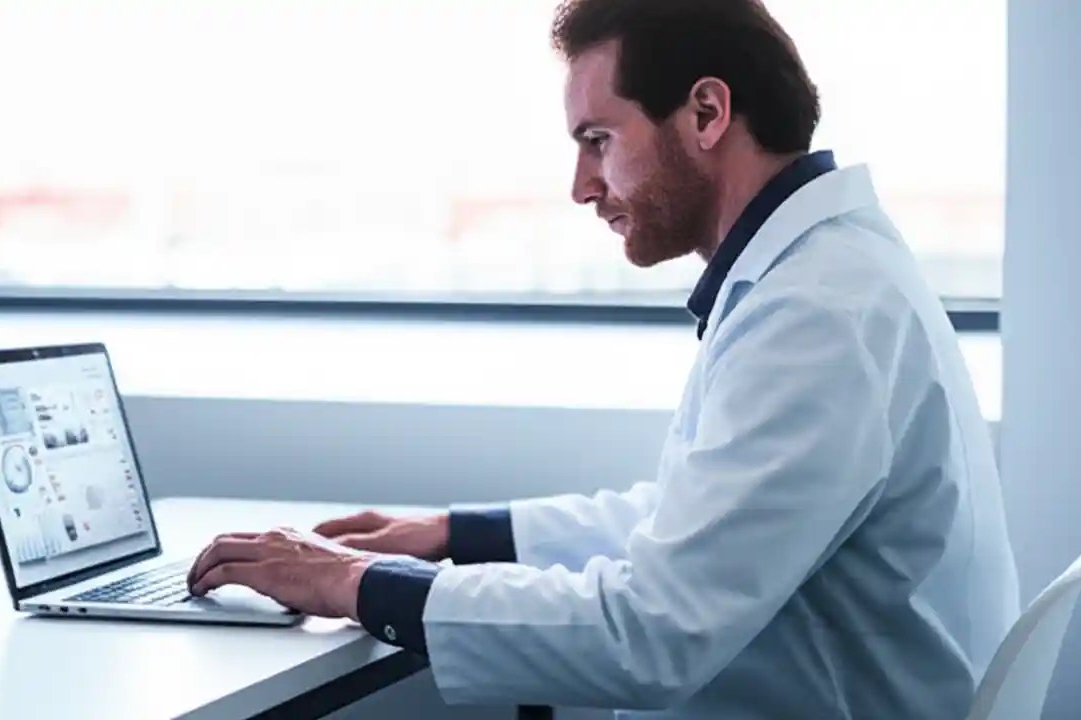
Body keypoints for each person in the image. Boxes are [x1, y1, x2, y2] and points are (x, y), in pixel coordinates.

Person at [186, 0, 1020, 716]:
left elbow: (651, 631)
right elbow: (695, 525)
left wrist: (356, 584)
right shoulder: (823, 274)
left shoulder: (818, 312)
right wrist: (454, 534)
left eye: (597, 139)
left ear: (705, 114)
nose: (582, 185)